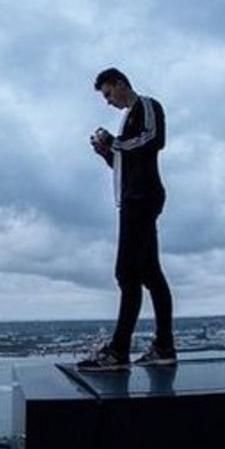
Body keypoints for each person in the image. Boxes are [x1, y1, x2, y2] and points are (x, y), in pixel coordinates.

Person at [79, 67, 176, 370]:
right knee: (150, 275)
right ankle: (164, 346)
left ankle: (118, 351)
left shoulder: (147, 105)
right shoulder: (128, 120)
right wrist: (107, 154)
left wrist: (115, 143)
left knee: (126, 274)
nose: (108, 101)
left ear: (120, 84)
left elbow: (152, 139)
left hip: (141, 200)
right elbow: (129, 165)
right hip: (134, 199)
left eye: (108, 93)